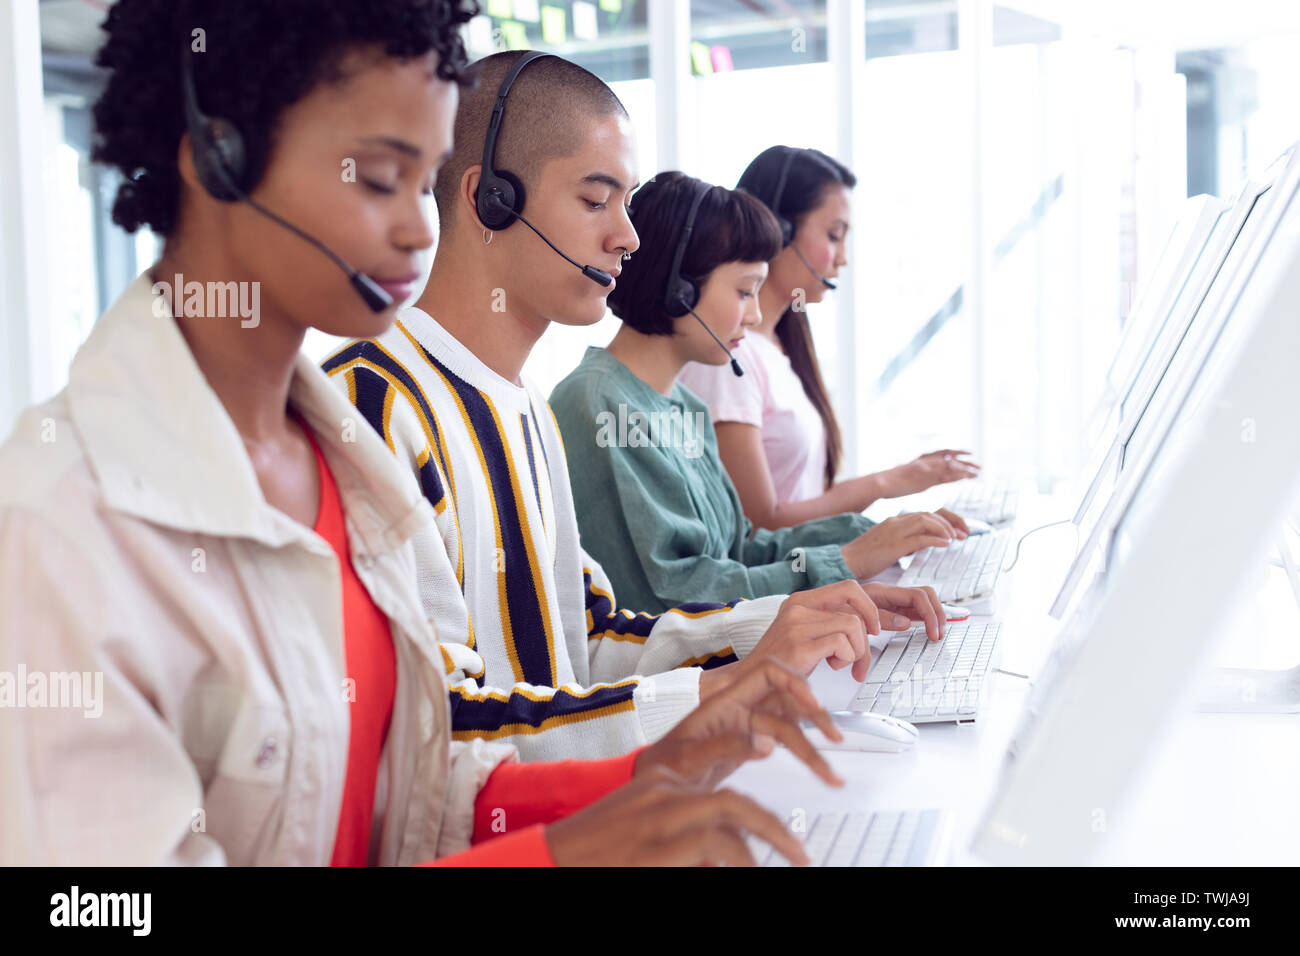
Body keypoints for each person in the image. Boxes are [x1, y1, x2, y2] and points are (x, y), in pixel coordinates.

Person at [0, 0, 846, 867]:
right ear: (220, 158)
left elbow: (415, 788)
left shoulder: (337, 455)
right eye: (375, 177)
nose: (417, 226)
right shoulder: (61, 518)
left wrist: (669, 749)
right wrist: (560, 852)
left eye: (422, 179)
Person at [327, 51, 933, 762]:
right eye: (595, 200)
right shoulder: (375, 406)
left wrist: (784, 621)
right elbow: (444, 729)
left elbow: (589, 636)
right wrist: (717, 694)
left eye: (627, 201)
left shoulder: (525, 408)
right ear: (490, 200)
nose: (629, 237)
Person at [549, 171, 959, 616]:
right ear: (679, 289)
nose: (756, 314)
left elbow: (742, 550)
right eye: (745, 291)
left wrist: (871, 534)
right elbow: (678, 594)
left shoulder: (684, 405)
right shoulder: (599, 405)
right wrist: (847, 560)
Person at [678, 146, 982, 532]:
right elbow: (760, 525)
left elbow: (802, 502)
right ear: (779, 229)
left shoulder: (777, 348)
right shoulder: (728, 361)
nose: (843, 259)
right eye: (834, 235)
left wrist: (891, 521)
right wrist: (888, 484)